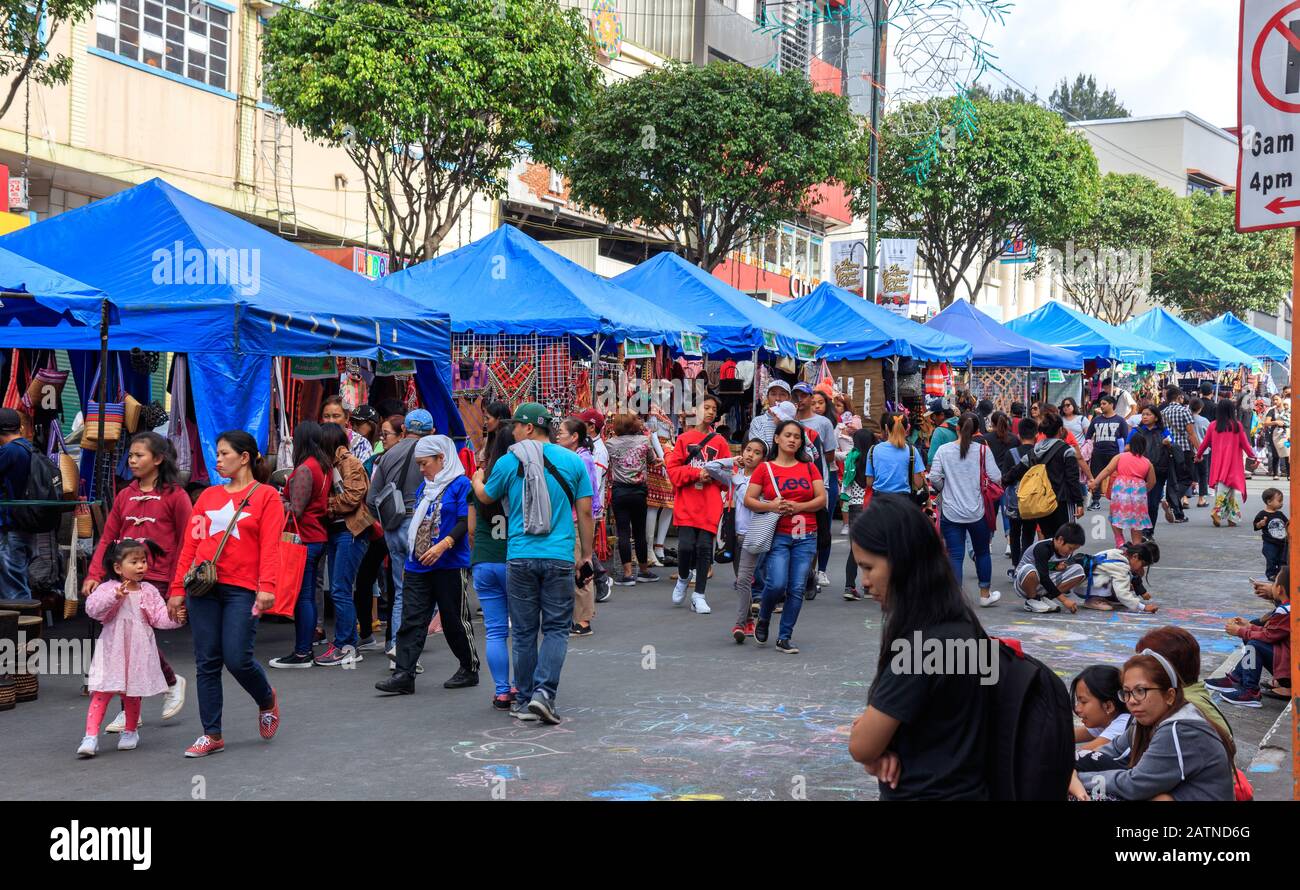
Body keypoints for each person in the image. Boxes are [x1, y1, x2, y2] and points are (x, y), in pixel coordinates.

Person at [847, 493, 992, 799]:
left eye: (869, 567)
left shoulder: (921, 648)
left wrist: (872, 743)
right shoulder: (969, 629)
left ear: (902, 562)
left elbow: (862, 745)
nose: (865, 582)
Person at [472, 403, 594, 725]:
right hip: (558, 557)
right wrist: (586, 555)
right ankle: (544, 694)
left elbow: (486, 497)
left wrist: (476, 480)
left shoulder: (509, 461)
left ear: (528, 428)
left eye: (515, 426)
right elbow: (585, 512)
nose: (511, 432)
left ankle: (524, 700)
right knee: (555, 629)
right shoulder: (572, 460)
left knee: (524, 632)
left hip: (520, 556)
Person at [169, 430, 283, 759]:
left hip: (243, 590)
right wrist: (177, 589)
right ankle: (212, 734)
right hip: (203, 588)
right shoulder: (206, 498)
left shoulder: (266, 497)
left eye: (223, 454)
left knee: (237, 658)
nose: (217, 460)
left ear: (244, 457)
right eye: (216, 454)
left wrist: (267, 588)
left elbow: (270, 547)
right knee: (207, 661)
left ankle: (266, 698)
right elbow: (191, 545)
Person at [83, 432, 192, 726]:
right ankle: (145, 699)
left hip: (156, 576)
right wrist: (95, 574)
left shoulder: (176, 496)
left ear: (158, 459)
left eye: (139, 455)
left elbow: (187, 543)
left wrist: (177, 585)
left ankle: (159, 689)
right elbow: (108, 537)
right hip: (122, 576)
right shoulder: (125, 495)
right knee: (128, 639)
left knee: (137, 637)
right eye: (130, 455)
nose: (132, 460)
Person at [375, 435, 480, 695]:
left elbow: (463, 522)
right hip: (418, 565)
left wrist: (443, 545)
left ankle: (469, 667)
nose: (422, 469)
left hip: (449, 564)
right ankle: (404, 673)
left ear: (441, 459)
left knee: (454, 618)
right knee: (412, 619)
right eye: (419, 464)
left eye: (425, 463)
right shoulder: (425, 488)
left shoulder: (460, 485)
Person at [1071, 651, 1234, 801]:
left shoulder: (1179, 730)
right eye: (1127, 692)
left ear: (1170, 695)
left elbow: (1135, 785)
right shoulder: (1143, 721)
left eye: (1140, 690)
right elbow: (1111, 751)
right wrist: (1064, 766)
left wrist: (1075, 779)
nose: (1132, 700)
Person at [78, 539, 187, 758]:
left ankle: (130, 731)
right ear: (118, 567)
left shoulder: (149, 591)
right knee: (102, 691)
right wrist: (114, 596)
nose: (141, 566)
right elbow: (92, 609)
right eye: (134, 562)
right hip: (112, 650)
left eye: (144, 561)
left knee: (133, 692)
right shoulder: (108, 588)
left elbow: (158, 618)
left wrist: (176, 618)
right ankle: (90, 736)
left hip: (138, 650)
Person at [745, 420, 825, 654]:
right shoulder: (764, 468)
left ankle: (784, 637)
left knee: (797, 587)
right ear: (777, 438)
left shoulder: (809, 467)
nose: (792, 440)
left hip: (807, 536)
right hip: (778, 535)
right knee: (777, 583)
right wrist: (771, 506)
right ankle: (764, 618)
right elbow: (749, 500)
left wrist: (799, 507)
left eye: (797, 437)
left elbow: (822, 499)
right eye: (787, 435)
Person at [268, 422, 334, 670]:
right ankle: (304, 649)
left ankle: (302, 651)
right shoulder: (324, 466)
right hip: (317, 537)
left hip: (305, 538)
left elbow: (296, 509)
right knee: (306, 595)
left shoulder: (307, 468)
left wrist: (277, 498)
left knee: (303, 597)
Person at [367, 408, 431, 652]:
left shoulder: (387, 455)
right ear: (431, 432)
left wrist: (387, 521)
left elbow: (372, 499)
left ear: (404, 430)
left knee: (401, 589)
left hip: (394, 527)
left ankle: (396, 643)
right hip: (422, 524)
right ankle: (410, 643)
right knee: (425, 588)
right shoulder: (432, 455)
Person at [313, 422, 373, 665]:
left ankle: (346, 646)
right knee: (341, 588)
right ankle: (347, 641)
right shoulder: (330, 465)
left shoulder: (350, 463)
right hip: (339, 532)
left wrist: (325, 505)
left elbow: (352, 497)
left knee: (340, 588)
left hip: (352, 531)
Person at [928, 413, 1002, 608]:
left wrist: (944, 487)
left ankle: (955, 598)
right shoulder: (983, 451)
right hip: (977, 511)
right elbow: (996, 477)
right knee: (982, 552)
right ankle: (985, 594)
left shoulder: (943, 451)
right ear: (977, 430)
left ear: (957, 428)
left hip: (951, 511)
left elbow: (934, 476)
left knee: (955, 555)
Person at [665, 394, 728, 614]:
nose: (710, 412)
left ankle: (699, 594)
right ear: (697, 410)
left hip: (710, 502)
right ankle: (683, 576)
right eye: (707, 407)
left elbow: (730, 474)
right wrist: (696, 474)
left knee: (704, 549)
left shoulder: (720, 441)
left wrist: (716, 476)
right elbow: (673, 471)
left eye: (714, 409)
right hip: (687, 501)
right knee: (684, 546)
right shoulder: (684, 439)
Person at [469, 424, 516, 710]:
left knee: (496, 631)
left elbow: (472, 529)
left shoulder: (481, 479)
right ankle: (524, 686)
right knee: (523, 629)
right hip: (515, 559)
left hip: (485, 560)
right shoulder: (519, 477)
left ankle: (501, 691)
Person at [1208, 567, 1291, 708]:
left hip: (1289, 671)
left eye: (1274, 583)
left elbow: (1268, 636)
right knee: (1254, 641)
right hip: (1289, 664)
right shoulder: (1289, 608)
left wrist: (1241, 631)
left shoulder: (1285, 611)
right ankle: (1237, 678)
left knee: (1255, 644)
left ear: (1279, 589)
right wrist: (1248, 626)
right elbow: (1272, 632)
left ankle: (1250, 691)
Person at [1002, 413, 1087, 547]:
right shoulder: (1067, 450)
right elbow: (1072, 479)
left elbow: (1019, 468)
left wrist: (1004, 481)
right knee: (1066, 538)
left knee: (1049, 539)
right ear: (1060, 430)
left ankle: (1048, 565)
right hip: (1062, 501)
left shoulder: (1036, 449)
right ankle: (1061, 566)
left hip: (1041, 503)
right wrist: (1079, 502)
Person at [605, 413, 659, 585]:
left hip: (620, 491)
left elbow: (607, 463)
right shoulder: (644, 441)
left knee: (623, 532)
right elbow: (651, 460)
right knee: (639, 532)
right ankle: (643, 571)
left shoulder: (610, 444)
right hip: (639, 491)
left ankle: (627, 574)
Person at [558, 418, 601, 635]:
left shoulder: (582, 460)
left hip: (577, 520)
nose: (557, 436)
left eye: (561, 433)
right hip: (569, 519)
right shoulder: (573, 457)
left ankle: (583, 619)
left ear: (574, 437)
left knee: (581, 567)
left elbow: (588, 498)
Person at [1194, 399, 1257, 529]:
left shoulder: (1213, 425)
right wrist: (1253, 456)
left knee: (1227, 489)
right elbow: (1245, 444)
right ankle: (1217, 511)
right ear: (1232, 411)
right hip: (1233, 463)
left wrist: (1198, 455)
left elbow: (1204, 443)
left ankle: (1232, 518)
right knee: (1227, 487)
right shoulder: (1237, 425)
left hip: (1218, 462)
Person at [731, 438, 769, 641]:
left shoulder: (762, 480)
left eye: (756, 452)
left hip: (753, 534)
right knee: (741, 581)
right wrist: (731, 461)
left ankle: (738, 624)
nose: (750, 455)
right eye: (747, 450)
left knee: (744, 580)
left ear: (763, 459)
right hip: (734, 534)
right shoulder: (735, 475)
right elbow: (711, 467)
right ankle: (748, 621)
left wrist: (738, 480)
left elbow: (749, 500)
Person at [1088, 434, 1155, 547]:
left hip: (1121, 490)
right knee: (1136, 520)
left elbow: (1108, 470)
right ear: (1144, 447)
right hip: (1138, 492)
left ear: (1130, 445)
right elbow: (1152, 481)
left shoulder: (1120, 457)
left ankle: (1120, 541)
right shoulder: (1148, 463)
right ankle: (1136, 545)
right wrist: (1142, 490)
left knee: (1116, 515)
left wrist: (1096, 482)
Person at [806, 388, 840, 589]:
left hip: (827, 476)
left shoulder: (827, 424)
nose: (817, 406)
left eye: (820, 402)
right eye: (814, 402)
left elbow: (829, 454)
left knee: (823, 526)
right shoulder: (795, 421)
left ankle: (822, 570)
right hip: (807, 478)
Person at [1014, 522, 1087, 614]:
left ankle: (1044, 598)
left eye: (1074, 550)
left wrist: (1056, 567)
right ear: (1060, 540)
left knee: (1078, 570)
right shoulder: (1042, 548)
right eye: (1070, 548)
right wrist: (1064, 600)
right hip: (1023, 582)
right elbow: (1043, 575)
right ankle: (1031, 599)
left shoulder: (1064, 551)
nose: (1071, 552)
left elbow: (1046, 566)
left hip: (1043, 581)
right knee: (1030, 570)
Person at [1126, 405, 1177, 535]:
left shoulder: (1163, 431)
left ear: (1155, 417)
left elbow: (1173, 445)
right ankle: (1139, 531)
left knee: (1153, 503)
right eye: (1143, 414)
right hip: (1138, 472)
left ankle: (1149, 532)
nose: (1145, 417)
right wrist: (1135, 446)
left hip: (1158, 471)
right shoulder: (1136, 431)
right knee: (1138, 503)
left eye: (1148, 414)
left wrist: (1168, 443)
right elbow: (1126, 448)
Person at [839, 427, 876, 599]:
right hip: (870, 506)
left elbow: (845, 485)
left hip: (854, 506)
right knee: (873, 548)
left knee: (855, 550)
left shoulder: (851, 458)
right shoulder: (874, 458)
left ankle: (849, 587)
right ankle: (870, 586)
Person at [0, 407, 34, 598]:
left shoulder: (9, 451)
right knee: (17, 580)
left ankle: (20, 629)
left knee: (14, 589)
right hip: (24, 524)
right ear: (19, 427)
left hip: (11, 526)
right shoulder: (27, 447)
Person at [1078, 541, 1160, 613]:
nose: (1141, 568)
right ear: (1135, 556)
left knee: (1123, 580)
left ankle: (1105, 597)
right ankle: (1093, 600)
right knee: (1124, 582)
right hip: (1086, 587)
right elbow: (1122, 593)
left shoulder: (1119, 552)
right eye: (1142, 564)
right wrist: (1144, 607)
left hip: (1085, 582)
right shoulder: (1122, 567)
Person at [865, 411, 926, 498]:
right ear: (907, 429)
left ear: (886, 427)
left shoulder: (873, 450)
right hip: (903, 502)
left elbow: (869, 482)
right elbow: (919, 483)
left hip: (879, 502)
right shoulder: (912, 451)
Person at [1071, 666, 1131, 754]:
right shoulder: (1105, 720)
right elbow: (1064, 735)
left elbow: (1080, 754)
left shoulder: (1124, 724)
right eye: (1078, 701)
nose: (1077, 709)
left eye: (1083, 702)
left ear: (1108, 707)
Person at [1160, 386, 1200, 516]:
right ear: (1178, 397)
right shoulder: (1184, 411)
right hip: (1183, 449)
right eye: (1182, 397)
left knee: (1173, 479)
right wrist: (1199, 450)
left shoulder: (1163, 412)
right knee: (1187, 478)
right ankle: (1172, 500)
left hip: (1168, 448)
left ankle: (1177, 512)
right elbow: (1191, 433)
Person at [1005, 417, 1039, 569]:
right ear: (1036, 435)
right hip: (1033, 501)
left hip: (1014, 501)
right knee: (1029, 533)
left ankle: (1015, 564)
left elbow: (1005, 477)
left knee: (1014, 532)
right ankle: (1025, 566)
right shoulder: (1039, 453)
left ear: (1019, 435)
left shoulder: (1011, 453)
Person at [1084, 395, 1128, 511]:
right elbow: (1088, 436)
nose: (1101, 406)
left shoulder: (1120, 420)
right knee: (1096, 476)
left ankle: (1118, 500)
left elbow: (1126, 438)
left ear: (1111, 405)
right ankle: (1096, 501)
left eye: (1104, 404)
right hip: (1098, 453)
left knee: (1118, 478)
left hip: (1115, 454)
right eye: (1101, 404)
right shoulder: (1096, 420)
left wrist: (1123, 453)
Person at [644, 421, 675, 567]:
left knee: (669, 503)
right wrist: (663, 457)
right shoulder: (652, 407)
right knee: (654, 503)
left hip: (667, 454)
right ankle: (650, 548)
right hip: (658, 456)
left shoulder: (663, 409)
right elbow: (652, 434)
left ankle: (659, 546)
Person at [321, 395, 373, 464]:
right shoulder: (317, 440)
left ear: (346, 418)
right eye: (326, 416)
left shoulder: (361, 444)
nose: (331, 421)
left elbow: (364, 473)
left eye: (336, 416)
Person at [1253, 487, 1288, 581]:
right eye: (1279, 501)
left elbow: (1287, 524)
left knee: (1283, 560)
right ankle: (1271, 574)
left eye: (1282, 501)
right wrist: (1260, 524)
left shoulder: (1280, 514)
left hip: (1282, 542)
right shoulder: (1262, 514)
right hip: (1270, 543)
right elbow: (1256, 526)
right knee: (1271, 559)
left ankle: (1281, 574)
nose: (1281, 503)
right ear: (1269, 502)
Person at [745, 379, 792, 446]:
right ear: (767, 397)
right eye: (773, 394)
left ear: (789, 398)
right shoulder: (758, 422)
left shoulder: (794, 422)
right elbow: (757, 450)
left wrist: (782, 424)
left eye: (782, 394)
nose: (777, 398)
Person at [1263, 393, 1290, 479]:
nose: (1275, 401)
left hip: (1287, 435)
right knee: (1275, 454)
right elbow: (1266, 423)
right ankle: (1275, 473)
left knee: (1287, 453)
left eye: (1277, 399)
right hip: (1275, 436)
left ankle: (1289, 474)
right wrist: (1275, 422)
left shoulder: (1288, 409)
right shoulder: (1272, 410)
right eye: (1273, 400)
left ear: (1282, 399)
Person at [1190, 398, 1210, 508]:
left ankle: (1185, 498)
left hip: (1190, 450)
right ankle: (1201, 498)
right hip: (1204, 450)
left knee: (1188, 473)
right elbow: (1209, 434)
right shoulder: (1204, 421)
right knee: (1203, 474)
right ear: (1200, 408)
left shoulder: (1187, 418)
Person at [925, 399, 958, 465]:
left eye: (933, 417)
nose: (932, 420)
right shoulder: (962, 424)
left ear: (942, 415)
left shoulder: (939, 431)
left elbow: (931, 461)